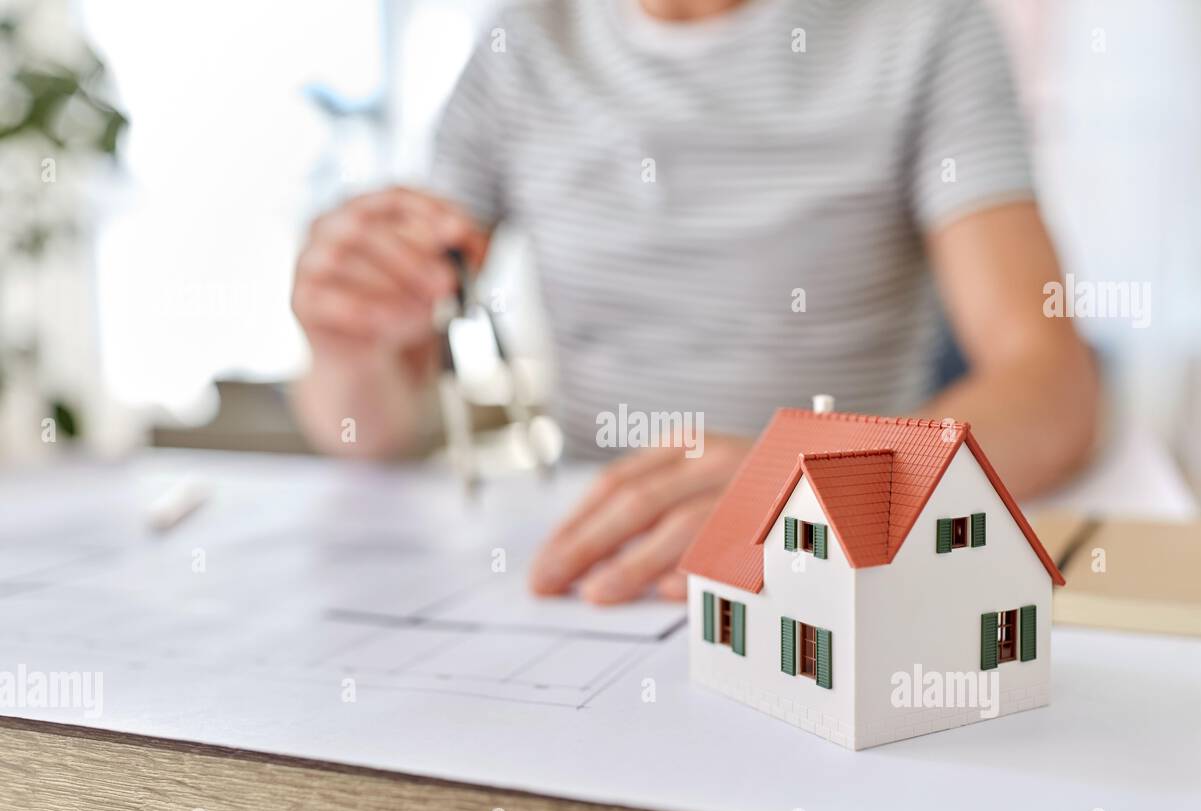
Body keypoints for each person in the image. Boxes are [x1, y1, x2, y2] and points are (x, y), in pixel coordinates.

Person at [289, 0, 1099, 606]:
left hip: (823, 571)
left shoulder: (929, 27)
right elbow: (371, 431)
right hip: (584, 572)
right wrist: (347, 343)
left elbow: (1052, 386)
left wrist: (833, 486)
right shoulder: (519, 41)